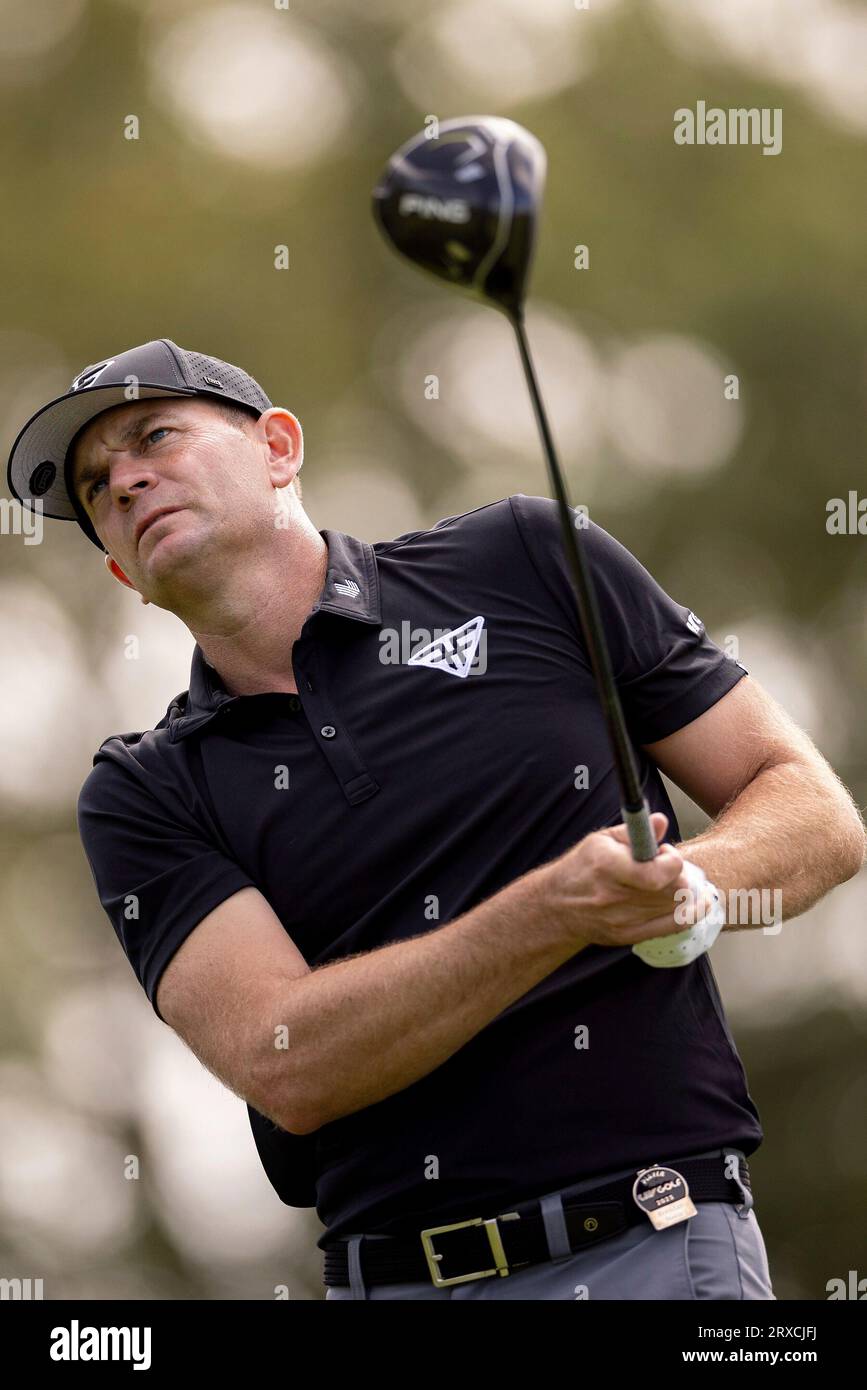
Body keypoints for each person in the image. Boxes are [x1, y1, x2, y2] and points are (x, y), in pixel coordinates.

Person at [8, 338, 865, 1301]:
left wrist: (691, 894)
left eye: (153, 435)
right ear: (124, 576)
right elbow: (285, 1060)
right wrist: (556, 911)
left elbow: (810, 807)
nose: (123, 482)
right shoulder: (145, 789)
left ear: (279, 447)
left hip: (655, 1246)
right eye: (92, 488)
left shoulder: (527, 560)